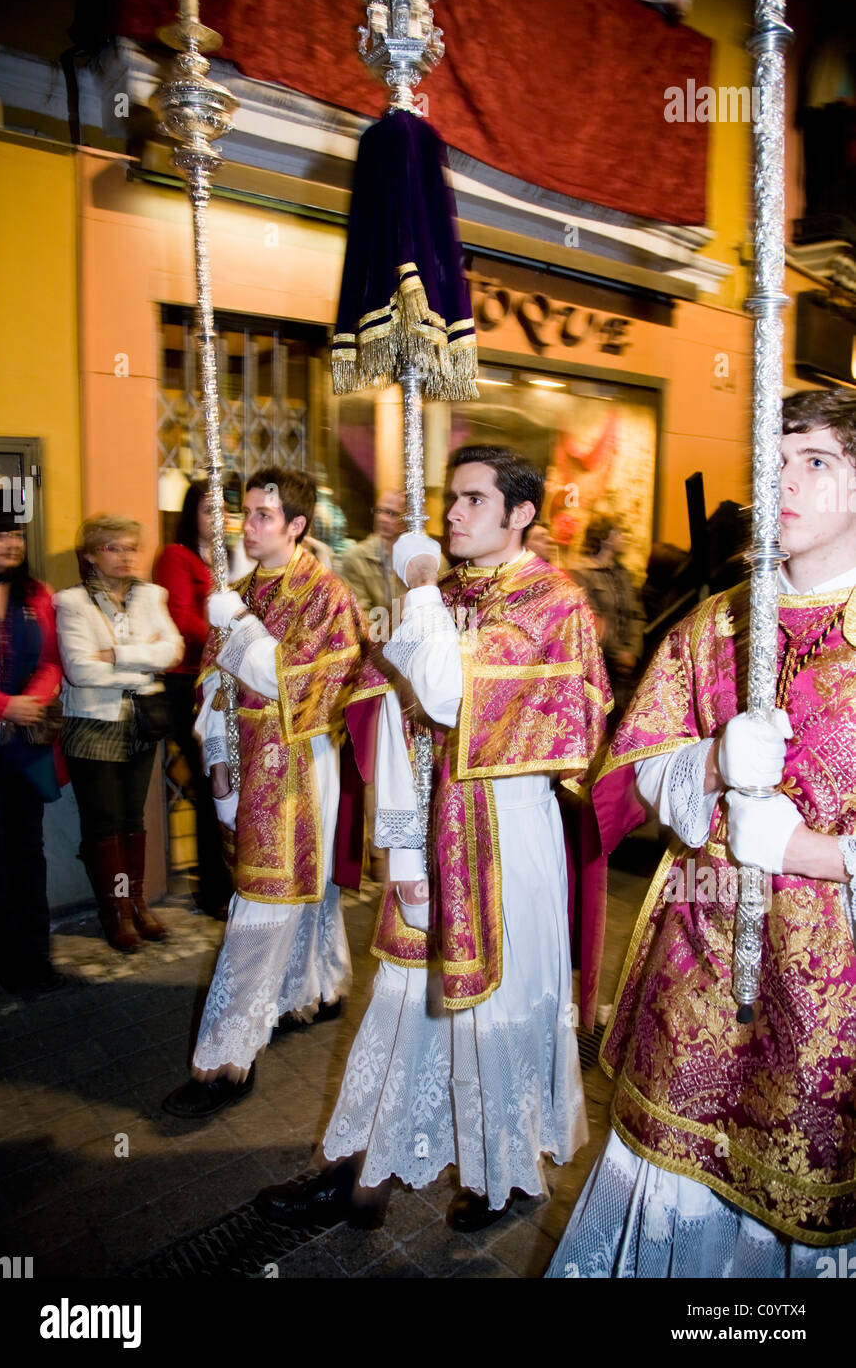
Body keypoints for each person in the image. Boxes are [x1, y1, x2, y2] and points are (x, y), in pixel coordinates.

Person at [256, 444, 611, 1231]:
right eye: (451, 498)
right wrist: (402, 849)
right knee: (401, 1004)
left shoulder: (554, 606)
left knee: (503, 1011)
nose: (452, 513)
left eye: (474, 500)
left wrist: (416, 588)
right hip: (428, 835)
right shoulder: (445, 591)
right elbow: (388, 715)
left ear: (520, 513)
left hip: (507, 837)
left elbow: (452, 698)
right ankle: (360, 1173)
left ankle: (506, 1174)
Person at [547, 388, 856, 1278]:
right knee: (674, 1194)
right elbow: (634, 770)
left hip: (827, 998)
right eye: (776, 456)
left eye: (816, 460)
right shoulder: (720, 620)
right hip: (697, 961)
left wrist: (813, 855)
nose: (782, 477)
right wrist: (714, 762)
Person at [162, 467, 370, 1118]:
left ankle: (224, 1059)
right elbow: (215, 687)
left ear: (297, 526)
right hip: (246, 762)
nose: (245, 526)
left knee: (260, 907)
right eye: (244, 513)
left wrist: (240, 625)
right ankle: (320, 985)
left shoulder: (325, 594)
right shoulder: (241, 589)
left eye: (261, 516)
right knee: (302, 895)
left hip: (298, 767)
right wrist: (218, 757)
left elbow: (298, 685)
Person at [54, 515, 183, 952]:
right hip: (93, 725)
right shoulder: (71, 602)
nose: (127, 556)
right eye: (114, 548)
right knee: (104, 824)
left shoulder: (151, 595)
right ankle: (116, 909)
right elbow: (78, 669)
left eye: (131, 547)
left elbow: (173, 650)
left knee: (132, 820)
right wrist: (140, 663)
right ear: (90, 555)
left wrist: (116, 655)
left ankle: (137, 902)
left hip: (141, 722)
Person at [0, 512, 64, 994]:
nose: (12, 543)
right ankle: (9, 961)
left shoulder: (37, 594)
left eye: (16, 534)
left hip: (24, 746)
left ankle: (37, 956)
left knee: (28, 852)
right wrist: (3, 705)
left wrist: (33, 699)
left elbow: (52, 661)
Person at [154, 480, 233, 919]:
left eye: (224, 511)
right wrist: (235, 644)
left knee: (226, 780)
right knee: (208, 782)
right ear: (191, 514)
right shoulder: (176, 557)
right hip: (189, 682)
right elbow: (181, 619)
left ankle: (232, 876)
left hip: (225, 682)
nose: (217, 520)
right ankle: (213, 889)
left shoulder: (229, 559)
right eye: (208, 510)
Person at [573, 516, 645, 716]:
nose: (625, 538)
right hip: (598, 667)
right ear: (605, 538)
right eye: (619, 532)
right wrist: (617, 653)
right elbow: (592, 619)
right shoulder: (583, 573)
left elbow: (637, 616)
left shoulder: (623, 574)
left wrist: (632, 651)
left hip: (625, 671)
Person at [341, 491, 407, 620]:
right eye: (379, 511)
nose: (382, 518)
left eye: (391, 513)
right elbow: (360, 619)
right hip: (378, 637)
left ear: (406, 521)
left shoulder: (428, 559)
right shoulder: (356, 558)